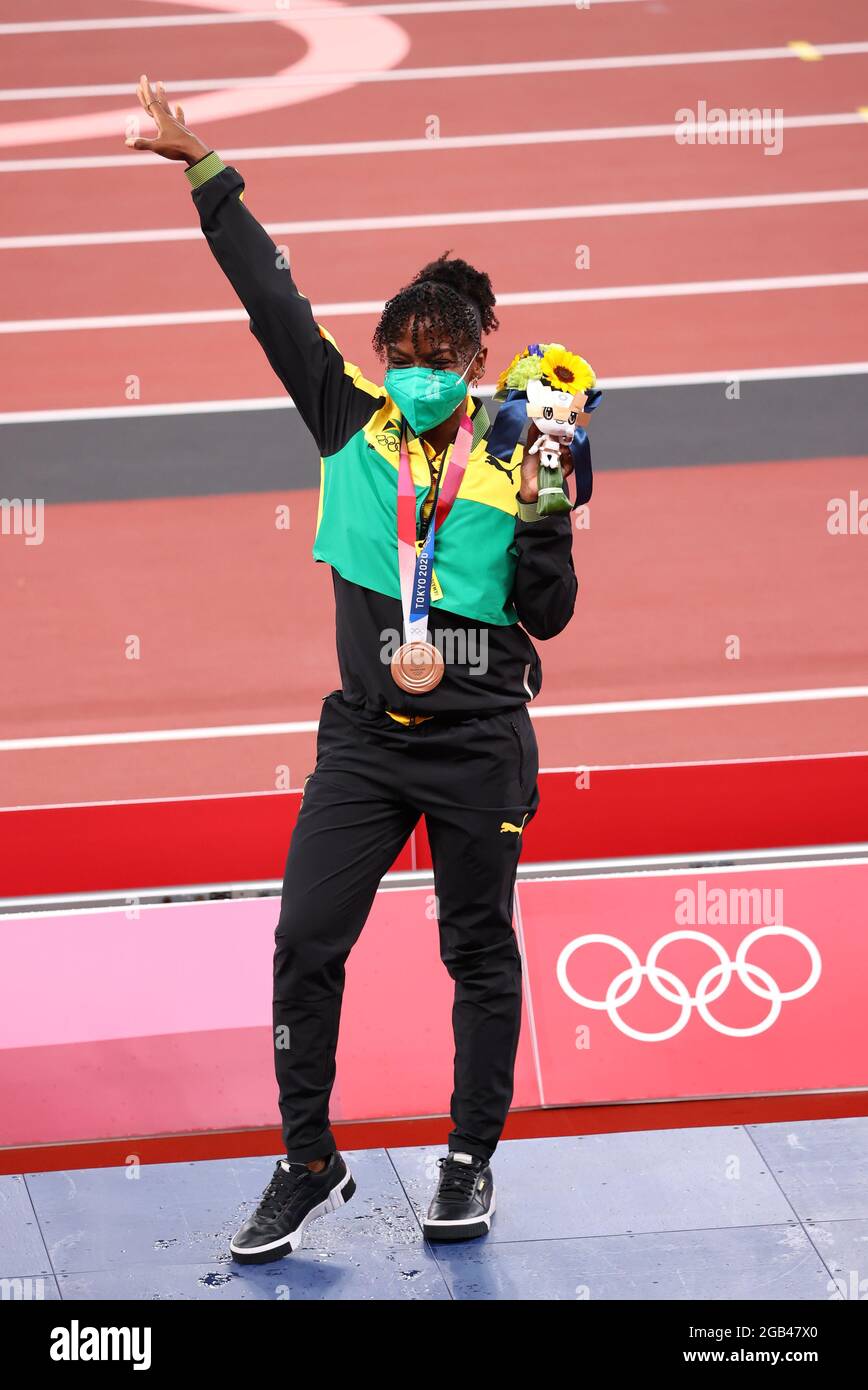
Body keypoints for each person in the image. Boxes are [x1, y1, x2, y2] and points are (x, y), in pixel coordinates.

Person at [127, 75, 592, 1262]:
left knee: (476, 952)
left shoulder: (520, 449)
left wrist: (546, 516)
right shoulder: (346, 419)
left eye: (445, 352)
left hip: (481, 739)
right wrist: (201, 165)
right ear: (385, 357)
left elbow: (553, 613)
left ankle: (468, 1158)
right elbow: (269, 299)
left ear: (481, 355)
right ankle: (306, 1157)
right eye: (406, 351)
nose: (423, 366)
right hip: (365, 741)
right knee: (304, 941)